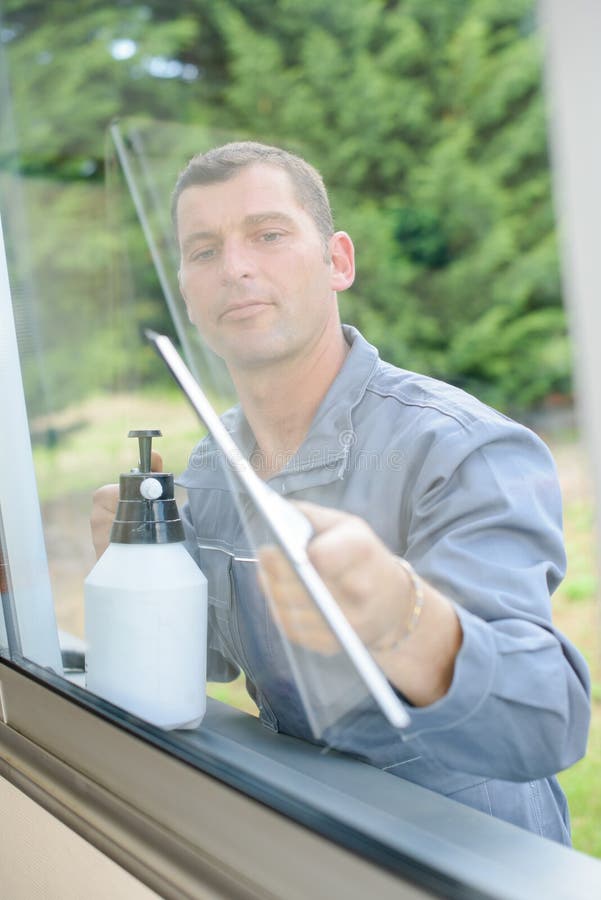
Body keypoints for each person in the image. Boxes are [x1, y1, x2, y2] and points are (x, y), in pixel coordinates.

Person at [91, 141, 590, 844]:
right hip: (296, 843)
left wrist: (402, 620)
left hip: (465, 859)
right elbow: (212, 658)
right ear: (186, 293)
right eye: (202, 251)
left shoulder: (460, 448)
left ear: (338, 262)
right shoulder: (209, 466)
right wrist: (139, 568)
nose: (234, 267)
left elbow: (543, 722)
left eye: (267, 235)